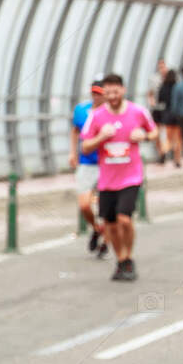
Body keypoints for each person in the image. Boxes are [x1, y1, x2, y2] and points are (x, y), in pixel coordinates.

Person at [80, 74, 158, 282]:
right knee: (111, 224)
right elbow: (85, 146)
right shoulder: (96, 117)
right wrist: (101, 137)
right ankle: (121, 260)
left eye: (116, 92)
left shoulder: (138, 112)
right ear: (104, 93)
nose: (112, 96)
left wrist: (144, 136)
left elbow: (154, 132)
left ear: (123, 90)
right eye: (108, 93)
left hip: (131, 177)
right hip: (107, 179)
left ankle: (129, 256)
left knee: (125, 218)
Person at [70, 81, 108, 260]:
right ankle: (96, 228)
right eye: (94, 93)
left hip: (107, 164)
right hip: (87, 163)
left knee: (107, 207)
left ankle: (105, 243)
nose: (96, 96)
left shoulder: (111, 113)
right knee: (84, 204)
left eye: (99, 93)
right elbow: (75, 131)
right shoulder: (81, 110)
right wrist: (73, 153)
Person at [154, 67, 179, 166]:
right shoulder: (177, 87)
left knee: (168, 138)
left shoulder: (163, 87)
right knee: (177, 138)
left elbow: (160, 100)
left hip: (167, 115)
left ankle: (164, 151)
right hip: (177, 115)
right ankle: (177, 159)